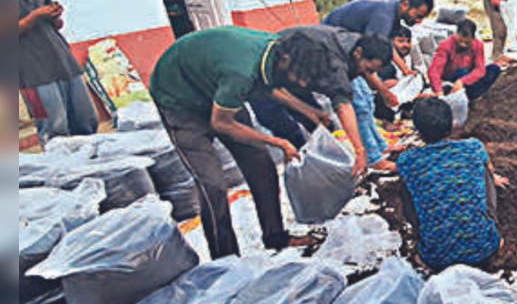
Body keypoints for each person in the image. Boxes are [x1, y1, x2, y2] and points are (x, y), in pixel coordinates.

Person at [149, 26, 388, 259]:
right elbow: (221, 122)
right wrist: (278, 142)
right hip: (180, 103)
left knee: (261, 165)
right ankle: (225, 260)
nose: (301, 84)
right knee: (212, 184)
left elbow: (271, 87)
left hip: (219, 92)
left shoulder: (277, 56)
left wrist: (309, 112)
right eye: (298, 77)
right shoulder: (242, 73)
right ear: (285, 60)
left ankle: (275, 236)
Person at [397, 98, 509, 272]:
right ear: (451, 124)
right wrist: (491, 178)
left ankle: (424, 241)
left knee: (407, 186)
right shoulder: (473, 147)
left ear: (418, 131)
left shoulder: (407, 161)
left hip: (436, 259)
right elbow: (489, 170)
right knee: (485, 171)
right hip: (485, 250)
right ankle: (492, 230)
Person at [18, 0, 98, 142]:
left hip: (63, 62)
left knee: (86, 120)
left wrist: (54, 16)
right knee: (55, 128)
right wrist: (36, 16)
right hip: (32, 73)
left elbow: (57, 26)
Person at [351, 34, 404, 172]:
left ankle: (380, 145)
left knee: (367, 99)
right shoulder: (341, 61)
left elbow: (368, 70)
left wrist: (384, 91)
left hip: (352, 65)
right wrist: (359, 150)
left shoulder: (363, 49)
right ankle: (373, 158)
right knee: (361, 108)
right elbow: (344, 107)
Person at [429, 19, 502, 100]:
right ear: (457, 35)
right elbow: (434, 71)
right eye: (460, 41)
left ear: (473, 38)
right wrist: (439, 91)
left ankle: (471, 95)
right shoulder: (446, 46)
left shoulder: (478, 45)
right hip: (451, 79)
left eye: (467, 43)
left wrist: (462, 81)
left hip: (468, 78)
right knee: (463, 71)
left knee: (494, 68)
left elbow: (480, 69)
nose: (463, 45)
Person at [324, 0, 435, 40]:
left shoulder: (395, 14)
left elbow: (387, 47)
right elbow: (371, 51)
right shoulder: (384, 15)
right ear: (405, 4)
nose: (419, 21)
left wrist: (405, 70)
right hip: (331, 36)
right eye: (418, 16)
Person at [374, 27, 422, 124]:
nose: (405, 45)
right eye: (401, 41)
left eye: (408, 41)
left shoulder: (409, 59)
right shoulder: (386, 66)